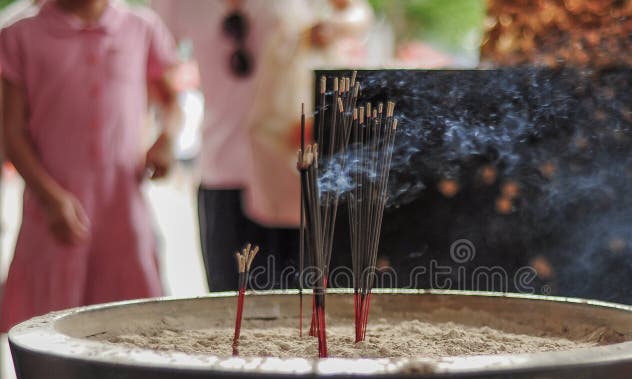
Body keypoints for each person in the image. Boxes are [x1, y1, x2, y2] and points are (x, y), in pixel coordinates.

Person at [153, 0, 372, 292]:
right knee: (231, 308)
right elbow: (154, 61)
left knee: (300, 310)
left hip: (291, 174)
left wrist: (334, 28)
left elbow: (358, 12)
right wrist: (164, 131)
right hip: (222, 172)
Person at [0, 0, 180, 331]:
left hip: (123, 216)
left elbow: (172, 103)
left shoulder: (141, 27)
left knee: (132, 334)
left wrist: (166, 140)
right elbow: (11, 133)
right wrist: (51, 197)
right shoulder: (19, 35)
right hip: (52, 217)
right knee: (48, 336)